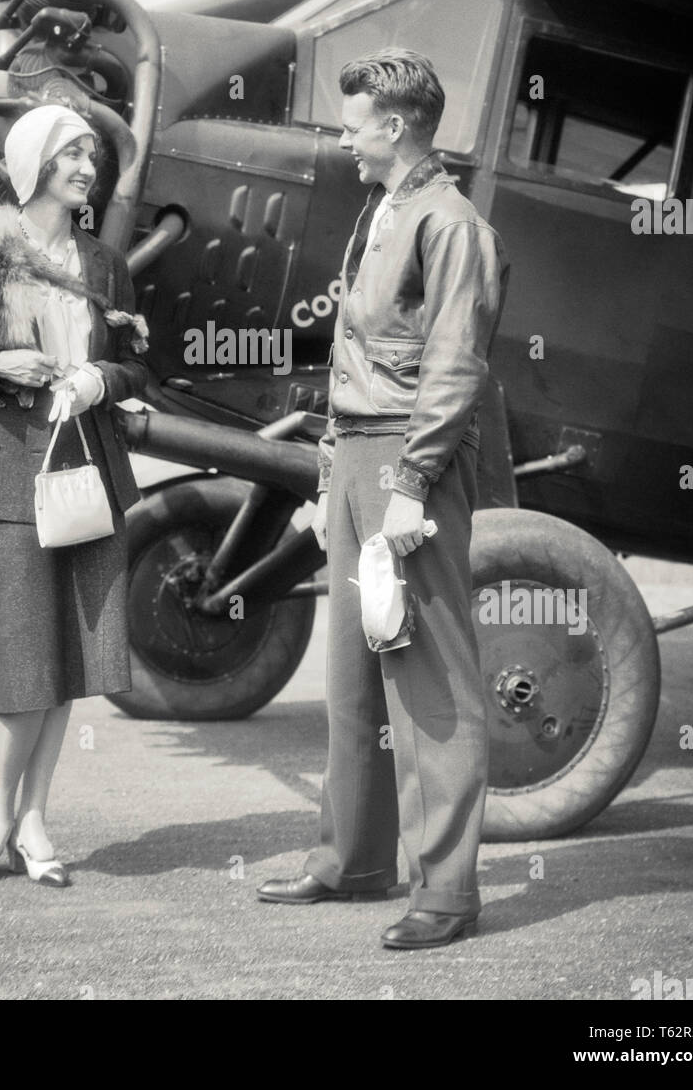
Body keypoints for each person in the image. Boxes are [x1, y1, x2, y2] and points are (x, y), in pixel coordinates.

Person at [257, 49, 509, 948]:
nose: (343, 139)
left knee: (431, 682)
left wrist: (410, 484)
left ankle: (446, 892)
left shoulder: (452, 224)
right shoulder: (383, 211)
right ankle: (354, 860)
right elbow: (351, 358)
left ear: (394, 127)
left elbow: (454, 365)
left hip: (414, 460)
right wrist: (333, 472)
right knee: (355, 677)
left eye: (354, 124)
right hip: (363, 456)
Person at [0, 104, 148, 888]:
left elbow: (143, 370)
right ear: (33, 161)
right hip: (7, 474)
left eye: (91, 155)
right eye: (71, 153)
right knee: (23, 663)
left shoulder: (105, 263)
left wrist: (98, 378)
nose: (87, 166)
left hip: (87, 470)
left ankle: (37, 819)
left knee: (71, 656)